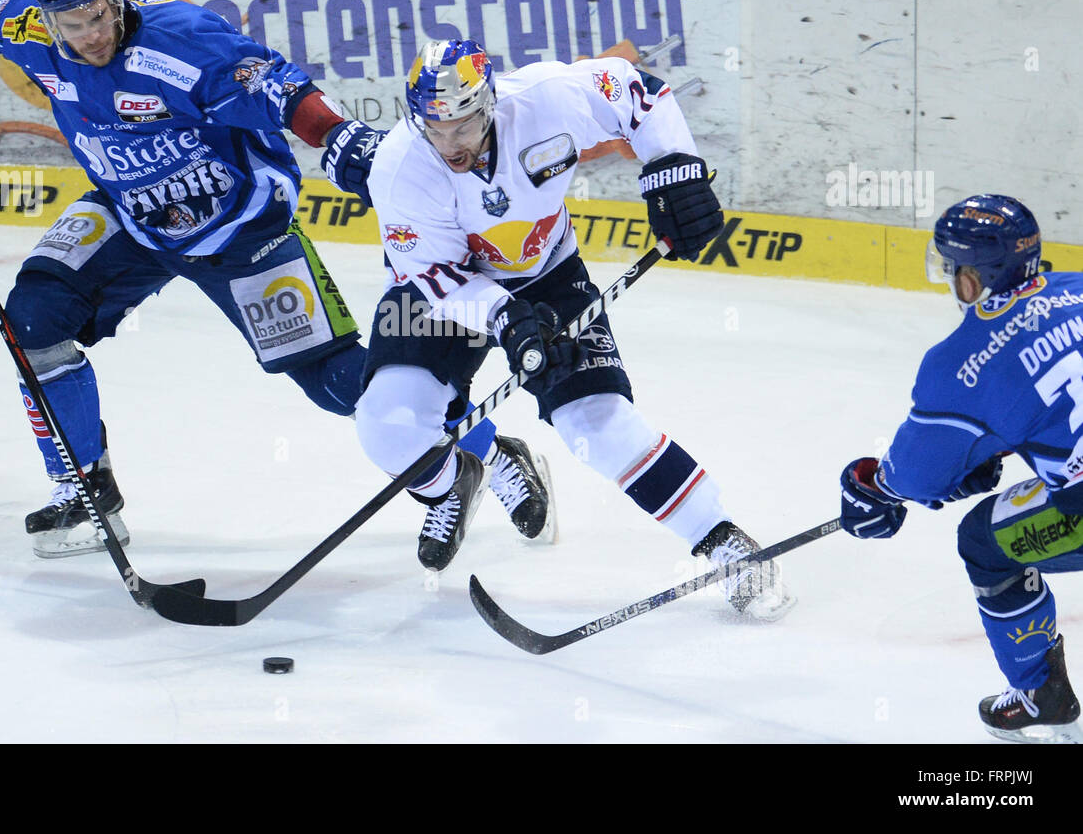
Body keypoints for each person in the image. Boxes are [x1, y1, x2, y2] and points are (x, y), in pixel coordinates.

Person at [0, 0, 550, 559]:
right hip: (129, 214)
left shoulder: (179, 42)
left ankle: (491, 453)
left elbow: (276, 85)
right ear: (48, 20)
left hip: (240, 226)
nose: (90, 34)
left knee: (344, 385)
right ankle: (84, 493)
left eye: (99, 14)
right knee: (32, 321)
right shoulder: (25, 24)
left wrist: (338, 137)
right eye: (72, 23)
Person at [319, 37, 794, 617]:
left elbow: (634, 93)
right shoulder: (399, 167)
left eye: (462, 127)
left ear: (488, 104)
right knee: (386, 425)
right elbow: (436, 277)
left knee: (597, 424)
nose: (449, 144)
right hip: (444, 292)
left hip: (546, 273)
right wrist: (504, 321)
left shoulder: (546, 100)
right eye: (434, 129)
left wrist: (673, 166)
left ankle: (724, 543)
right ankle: (473, 472)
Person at [838, 194, 1082, 743]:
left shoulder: (960, 362)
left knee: (983, 542)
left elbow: (915, 476)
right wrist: (989, 449)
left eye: (955, 268)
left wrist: (872, 487)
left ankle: (1040, 691)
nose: (952, 279)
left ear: (977, 275)